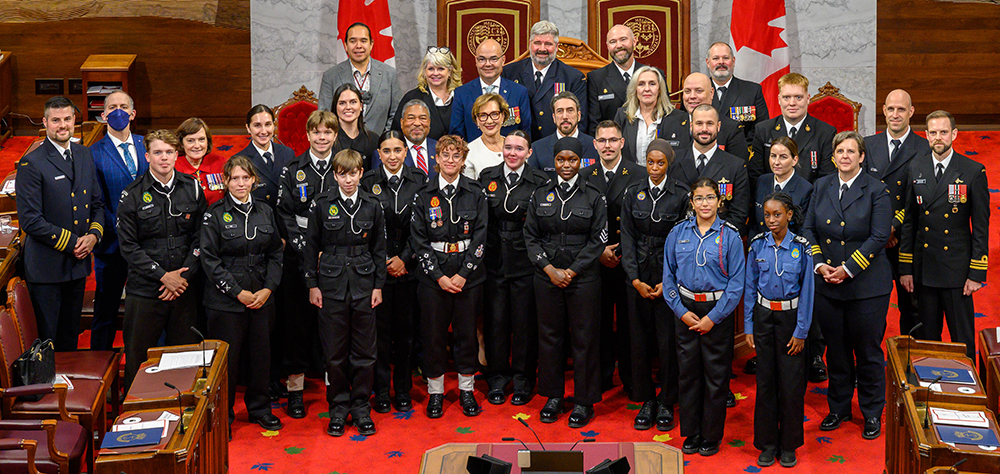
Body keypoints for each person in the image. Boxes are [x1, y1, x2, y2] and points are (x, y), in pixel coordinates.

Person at [802, 131, 892, 441]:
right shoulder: (822, 186)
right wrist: (819, 264)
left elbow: (880, 237)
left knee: (867, 352)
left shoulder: (877, 190)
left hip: (866, 286)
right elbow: (808, 228)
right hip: (828, 283)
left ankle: (871, 413)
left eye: (851, 151)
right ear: (833, 156)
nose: (845, 156)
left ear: (862, 157)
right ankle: (838, 408)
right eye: (840, 151)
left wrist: (848, 269)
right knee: (836, 352)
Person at [524, 137, 608, 428]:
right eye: (561, 160)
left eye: (573, 160)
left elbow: (599, 239)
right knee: (549, 337)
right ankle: (553, 396)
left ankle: (584, 401)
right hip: (546, 277)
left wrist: (571, 271)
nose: (567, 165)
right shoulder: (540, 194)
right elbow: (530, 237)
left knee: (584, 341)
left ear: (581, 162)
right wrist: (549, 270)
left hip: (583, 279)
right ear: (555, 162)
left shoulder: (594, 196)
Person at [304, 149, 387, 437]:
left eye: (353, 173)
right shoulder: (322, 204)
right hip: (330, 285)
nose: (348, 179)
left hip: (365, 286)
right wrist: (312, 285)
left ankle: (362, 407)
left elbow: (379, 249)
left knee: (365, 352)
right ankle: (338, 408)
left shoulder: (372, 205)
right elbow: (310, 247)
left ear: (361, 173)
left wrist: (378, 285)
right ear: (335, 175)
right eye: (342, 174)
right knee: (335, 353)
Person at [662, 177, 745, 457]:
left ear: (720, 201)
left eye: (710, 197)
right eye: (699, 198)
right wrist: (681, 312)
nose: (705, 203)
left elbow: (736, 284)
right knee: (688, 374)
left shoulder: (730, 236)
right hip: (685, 311)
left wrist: (714, 317)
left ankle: (711, 434)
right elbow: (668, 277)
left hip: (716, 313)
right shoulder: (677, 233)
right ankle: (692, 432)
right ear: (692, 202)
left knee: (715, 376)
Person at [117, 130, 205, 390]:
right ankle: (135, 415)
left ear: (177, 155)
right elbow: (129, 248)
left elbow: (201, 239)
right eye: (157, 152)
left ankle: (185, 417)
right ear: (147, 156)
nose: (163, 158)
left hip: (184, 290)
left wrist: (181, 277)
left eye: (168, 152)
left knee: (185, 361)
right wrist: (164, 277)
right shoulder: (131, 195)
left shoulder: (193, 188)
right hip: (145, 290)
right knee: (139, 359)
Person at [200, 155, 284, 431]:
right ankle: (223, 416)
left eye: (245, 178)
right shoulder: (214, 213)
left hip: (261, 295)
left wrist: (268, 289)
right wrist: (238, 293)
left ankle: (260, 409)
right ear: (225, 181)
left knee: (261, 356)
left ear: (253, 181)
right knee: (227, 362)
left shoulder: (265, 210)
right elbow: (209, 260)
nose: (240, 183)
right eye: (234, 178)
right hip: (226, 301)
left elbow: (275, 253)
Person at [16, 96, 105, 351]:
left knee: (70, 338)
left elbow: (96, 203)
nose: (62, 125)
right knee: (47, 340)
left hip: (77, 266)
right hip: (47, 269)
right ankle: (48, 391)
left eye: (67, 119)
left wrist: (93, 237)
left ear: (75, 120)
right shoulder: (31, 163)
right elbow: (30, 221)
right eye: (55, 120)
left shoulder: (83, 153)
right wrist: (74, 242)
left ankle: (67, 389)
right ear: (45, 123)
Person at [410, 135, 488, 418]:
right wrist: (440, 277)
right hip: (434, 277)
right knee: (433, 336)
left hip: (469, 276)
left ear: (464, 160)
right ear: (437, 158)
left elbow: (481, 237)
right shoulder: (423, 194)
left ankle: (467, 390)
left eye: (456, 155)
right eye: (445, 155)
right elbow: (418, 241)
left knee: (466, 335)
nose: (451, 160)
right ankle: (436, 392)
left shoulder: (475, 193)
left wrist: (464, 273)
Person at [900, 111, 988, 359]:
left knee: (963, 341)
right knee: (928, 340)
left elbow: (980, 227)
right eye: (933, 133)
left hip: (957, 273)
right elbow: (909, 221)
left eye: (943, 132)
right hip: (925, 269)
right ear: (926, 135)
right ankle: (931, 391)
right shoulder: (915, 167)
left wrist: (976, 273)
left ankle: (970, 392)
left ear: (954, 134)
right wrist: (906, 268)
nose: (938, 138)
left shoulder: (972, 171)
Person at [620, 139, 688, 431]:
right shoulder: (633, 192)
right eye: (651, 162)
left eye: (661, 163)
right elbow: (627, 237)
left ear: (669, 163)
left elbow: (683, 242)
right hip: (637, 277)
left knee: (668, 342)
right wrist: (634, 278)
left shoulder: (682, 194)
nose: (655, 168)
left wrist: (667, 281)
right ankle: (646, 398)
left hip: (667, 278)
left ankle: (666, 401)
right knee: (639, 341)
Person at [276, 110, 340, 418]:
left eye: (328, 132)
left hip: (335, 258)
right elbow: (284, 214)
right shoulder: (293, 169)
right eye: (317, 132)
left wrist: (326, 251)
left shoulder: (346, 165)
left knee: (334, 326)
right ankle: (295, 391)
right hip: (299, 259)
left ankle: (335, 388)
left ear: (335, 136)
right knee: (297, 327)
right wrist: (305, 249)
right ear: (308, 135)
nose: (322, 137)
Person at [478, 131, 550, 406]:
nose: (512, 153)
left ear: (529, 153)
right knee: (496, 324)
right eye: (508, 147)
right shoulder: (487, 177)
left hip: (525, 263)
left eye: (518, 149)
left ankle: (522, 380)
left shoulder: (540, 181)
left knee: (524, 326)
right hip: (494, 263)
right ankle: (497, 379)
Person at [744, 192, 814, 468]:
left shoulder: (801, 247)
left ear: (789, 215)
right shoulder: (757, 245)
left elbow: (808, 292)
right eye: (767, 215)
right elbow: (750, 287)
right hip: (764, 316)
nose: (771, 220)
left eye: (777, 215)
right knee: (765, 382)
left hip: (791, 318)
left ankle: (788, 444)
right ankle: (767, 443)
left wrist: (801, 331)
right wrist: (749, 324)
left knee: (791, 384)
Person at [362, 130, 428, 413]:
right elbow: (365, 228)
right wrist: (386, 260)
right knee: (378, 334)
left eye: (397, 150)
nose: (392, 156)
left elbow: (423, 227)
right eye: (386, 151)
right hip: (378, 271)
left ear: (405, 152)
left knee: (406, 334)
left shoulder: (420, 180)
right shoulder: (368, 182)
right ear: (379, 154)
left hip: (409, 269)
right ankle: (380, 390)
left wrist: (404, 258)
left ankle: (402, 388)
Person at [581, 120, 646, 393]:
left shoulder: (640, 174)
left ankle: (633, 381)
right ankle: (602, 377)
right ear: (595, 144)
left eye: (613, 140)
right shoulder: (584, 175)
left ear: (622, 143)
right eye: (602, 141)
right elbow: (578, 222)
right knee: (598, 324)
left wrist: (620, 252)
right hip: (595, 263)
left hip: (627, 261)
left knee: (632, 326)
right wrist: (598, 251)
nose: (607, 145)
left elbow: (641, 223)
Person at [863, 89, 930, 336]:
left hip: (908, 240)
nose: (895, 114)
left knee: (912, 308)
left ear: (911, 112)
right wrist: (882, 230)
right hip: (875, 240)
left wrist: (894, 226)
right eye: (890, 109)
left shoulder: (924, 148)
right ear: (883, 110)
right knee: (871, 308)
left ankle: (910, 364)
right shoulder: (868, 145)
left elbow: (922, 199)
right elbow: (864, 191)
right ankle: (869, 368)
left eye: (901, 109)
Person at [89, 90, 147, 351]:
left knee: (148, 312)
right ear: (103, 116)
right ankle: (98, 368)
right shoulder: (92, 153)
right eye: (112, 107)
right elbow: (97, 202)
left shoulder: (148, 146)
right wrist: (125, 231)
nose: (118, 111)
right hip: (112, 247)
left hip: (148, 246)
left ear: (133, 114)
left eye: (124, 106)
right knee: (106, 313)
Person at [669, 104, 750, 236]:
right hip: (680, 238)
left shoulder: (735, 166)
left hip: (719, 241)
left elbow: (739, 214)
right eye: (699, 123)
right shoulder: (673, 161)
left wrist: (714, 238)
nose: (704, 129)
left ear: (718, 127)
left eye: (710, 124)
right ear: (691, 126)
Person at [503, 21, 588, 140]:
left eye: (548, 44)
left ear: (557, 47)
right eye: (537, 43)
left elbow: (581, 121)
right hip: (519, 146)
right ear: (530, 44)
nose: (542, 49)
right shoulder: (510, 72)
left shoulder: (573, 77)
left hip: (556, 148)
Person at [751, 73, 836, 188]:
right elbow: (756, 175)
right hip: (772, 200)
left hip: (809, 201)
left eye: (798, 97)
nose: (792, 103)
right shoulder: (763, 130)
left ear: (808, 98)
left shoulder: (825, 132)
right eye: (786, 97)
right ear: (779, 99)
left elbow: (826, 178)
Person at [318, 22, 401, 133]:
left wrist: (384, 141)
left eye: (363, 41)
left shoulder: (389, 74)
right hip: (343, 147)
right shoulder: (331, 76)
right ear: (345, 45)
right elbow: (325, 116)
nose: (358, 46)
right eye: (353, 41)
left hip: (380, 146)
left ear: (371, 44)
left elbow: (396, 114)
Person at [451, 39, 531, 141]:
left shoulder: (519, 92)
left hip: (509, 154)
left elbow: (525, 133)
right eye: (482, 59)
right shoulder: (461, 93)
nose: (488, 64)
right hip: (473, 154)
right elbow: (456, 137)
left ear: (503, 60)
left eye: (493, 59)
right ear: (476, 61)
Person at [658, 73, 748, 162]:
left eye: (699, 91)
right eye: (687, 91)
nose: (692, 96)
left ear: (712, 93)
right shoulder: (668, 123)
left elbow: (737, 169)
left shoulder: (731, 128)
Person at [706, 42, 769, 147]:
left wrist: (739, 148)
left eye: (726, 58)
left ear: (733, 61)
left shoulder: (752, 91)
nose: (721, 62)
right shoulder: (697, 92)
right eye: (716, 58)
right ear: (708, 63)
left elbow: (761, 128)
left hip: (742, 154)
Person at [392, 47, 461, 140]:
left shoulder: (461, 96)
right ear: (424, 71)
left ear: (450, 71)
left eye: (441, 69)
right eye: (431, 69)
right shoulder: (412, 97)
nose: (435, 73)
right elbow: (396, 134)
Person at [587, 25, 646, 134]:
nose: (619, 45)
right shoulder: (596, 78)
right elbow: (594, 124)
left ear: (635, 41)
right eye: (613, 42)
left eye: (623, 39)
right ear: (608, 46)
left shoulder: (651, 75)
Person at [236, 104, 296, 209]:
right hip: (257, 218)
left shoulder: (288, 153)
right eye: (257, 125)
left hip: (285, 218)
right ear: (248, 128)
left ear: (274, 125)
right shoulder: (240, 160)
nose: (263, 131)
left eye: (268, 124)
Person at [528, 91, 600, 177]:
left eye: (570, 110)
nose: (565, 116)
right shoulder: (537, 149)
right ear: (554, 117)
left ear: (579, 115)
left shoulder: (595, 147)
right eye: (560, 111)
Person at [613, 66, 675, 165]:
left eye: (652, 84)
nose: (647, 89)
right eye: (641, 84)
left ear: (659, 89)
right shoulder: (622, 115)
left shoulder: (673, 117)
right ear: (635, 89)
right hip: (630, 177)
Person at [752, 136, 812, 236]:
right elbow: (753, 224)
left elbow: (803, 229)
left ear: (794, 160)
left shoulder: (805, 189)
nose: (776, 162)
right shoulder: (762, 181)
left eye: (783, 157)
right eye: (773, 156)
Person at [374, 100, 438, 177]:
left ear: (429, 122)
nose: (417, 123)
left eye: (422, 118)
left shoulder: (439, 149)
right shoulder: (385, 152)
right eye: (411, 118)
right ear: (402, 122)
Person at [174, 117, 227, 204]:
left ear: (208, 141)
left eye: (201, 139)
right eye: (190, 141)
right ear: (181, 143)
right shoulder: (173, 166)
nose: (197, 145)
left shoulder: (220, 162)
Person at [332, 83, 380, 169]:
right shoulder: (328, 140)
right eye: (342, 103)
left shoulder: (374, 140)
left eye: (353, 102)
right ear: (335, 107)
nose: (348, 107)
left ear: (361, 106)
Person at [463, 93, 509, 179]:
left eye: (494, 114)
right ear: (477, 120)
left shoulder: (516, 146)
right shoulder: (469, 151)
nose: (489, 121)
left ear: (503, 116)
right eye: (483, 115)